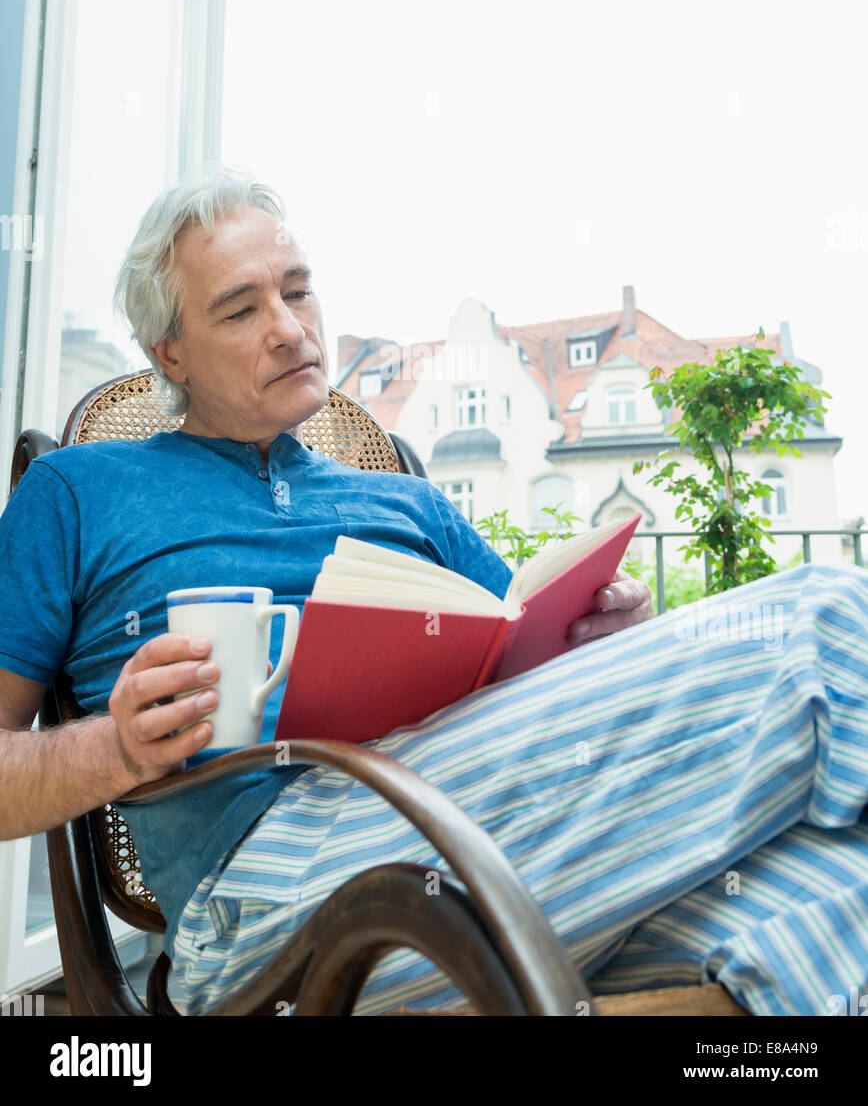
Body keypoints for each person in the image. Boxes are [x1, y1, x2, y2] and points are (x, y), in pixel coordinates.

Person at [0, 169, 866, 1018]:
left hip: (478, 822)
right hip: (268, 895)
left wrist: (600, 643)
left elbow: (518, 650)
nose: (289, 328)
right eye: (240, 308)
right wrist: (116, 751)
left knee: (838, 887)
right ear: (169, 351)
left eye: (299, 294)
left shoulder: (406, 502)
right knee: (830, 614)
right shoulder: (76, 492)